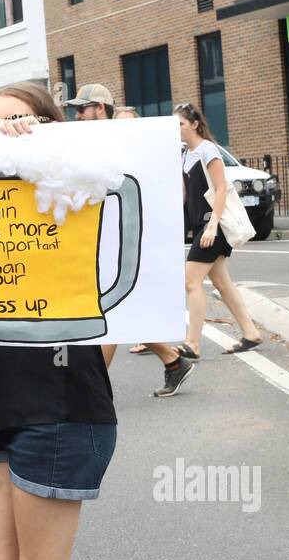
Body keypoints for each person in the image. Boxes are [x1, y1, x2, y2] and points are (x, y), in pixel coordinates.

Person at [0, 82, 156, 560]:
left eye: (20, 119)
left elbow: (95, 327)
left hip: (61, 411)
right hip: (10, 408)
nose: (5, 130)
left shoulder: (78, 179)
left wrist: (42, 147)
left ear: (52, 123)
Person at [67, 86, 194, 394]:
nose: (76, 115)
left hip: (129, 235)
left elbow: (163, 183)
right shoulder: (86, 142)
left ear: (99, 107)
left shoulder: (129, 142)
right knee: (127, 308)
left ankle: (91, 390)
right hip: (100, 236)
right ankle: (174, 362)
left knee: (110, 311)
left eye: (81, 109)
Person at [173, 102, 264, 358]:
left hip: (214, 225)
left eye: (179, 124)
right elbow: (184, 193)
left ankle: (192, 343)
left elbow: (221, 187)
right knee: (222, 283)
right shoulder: (184, 154)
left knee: (191, 281)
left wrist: (212, 225)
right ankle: (251, 332)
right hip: (200, 224)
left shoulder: (207, 150)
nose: (176, 129)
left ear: (194, 124)